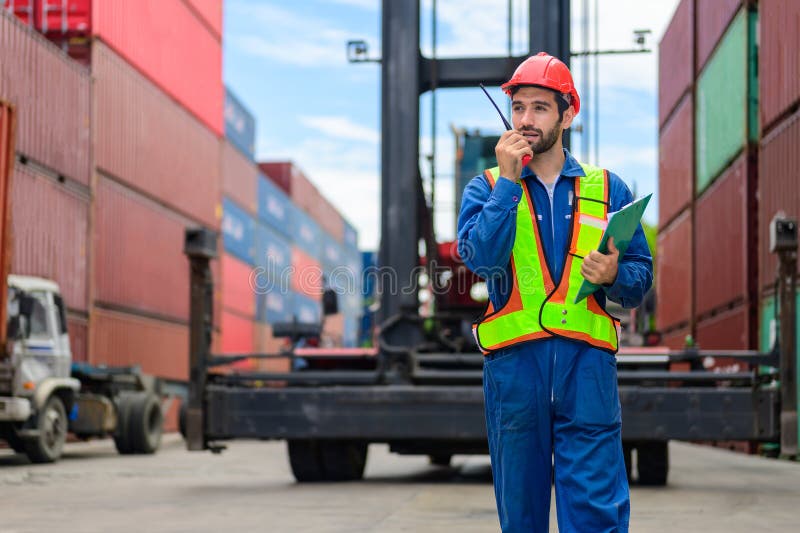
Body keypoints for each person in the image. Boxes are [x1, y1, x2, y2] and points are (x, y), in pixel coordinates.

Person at [457, 52, 653, 532]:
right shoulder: (485, 189)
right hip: (515, 373)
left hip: (586, 372)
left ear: (567, 114)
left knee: (595, 509)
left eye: (540, 108)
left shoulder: (609, 189)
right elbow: (481, 260)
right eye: (519, 106)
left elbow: (640, 278)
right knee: (521, 514)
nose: (526, 119)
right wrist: (508, 181)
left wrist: (612, 275)